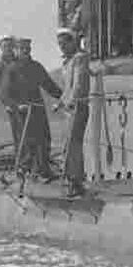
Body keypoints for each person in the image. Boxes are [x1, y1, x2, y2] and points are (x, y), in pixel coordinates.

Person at [1, 37, 62, 179]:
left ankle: (43, 170)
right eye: (22, 49)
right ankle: (24, 171)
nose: (25, 51)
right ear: (16, 50)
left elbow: (49, 86)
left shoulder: (36, 67)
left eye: (27, 49)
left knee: (44, 139)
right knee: (25, 142)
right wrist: (16, 106)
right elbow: (4, 94)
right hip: (21, 112)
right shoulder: (11, 69)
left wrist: (65, 97)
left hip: (37, 109)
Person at [53, 27, 91, 196]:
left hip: (78, 108)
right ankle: (71, 179)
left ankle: (75, 182)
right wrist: (60, 103)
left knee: (73, 145)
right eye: (59, 44)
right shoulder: (67, 62)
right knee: (68, 144)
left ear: (72, 42)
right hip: (69, 109)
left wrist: (71, 101)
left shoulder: (80, 59)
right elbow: (67, 88)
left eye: (64, 43)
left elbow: (78, 85)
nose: (61, 47)